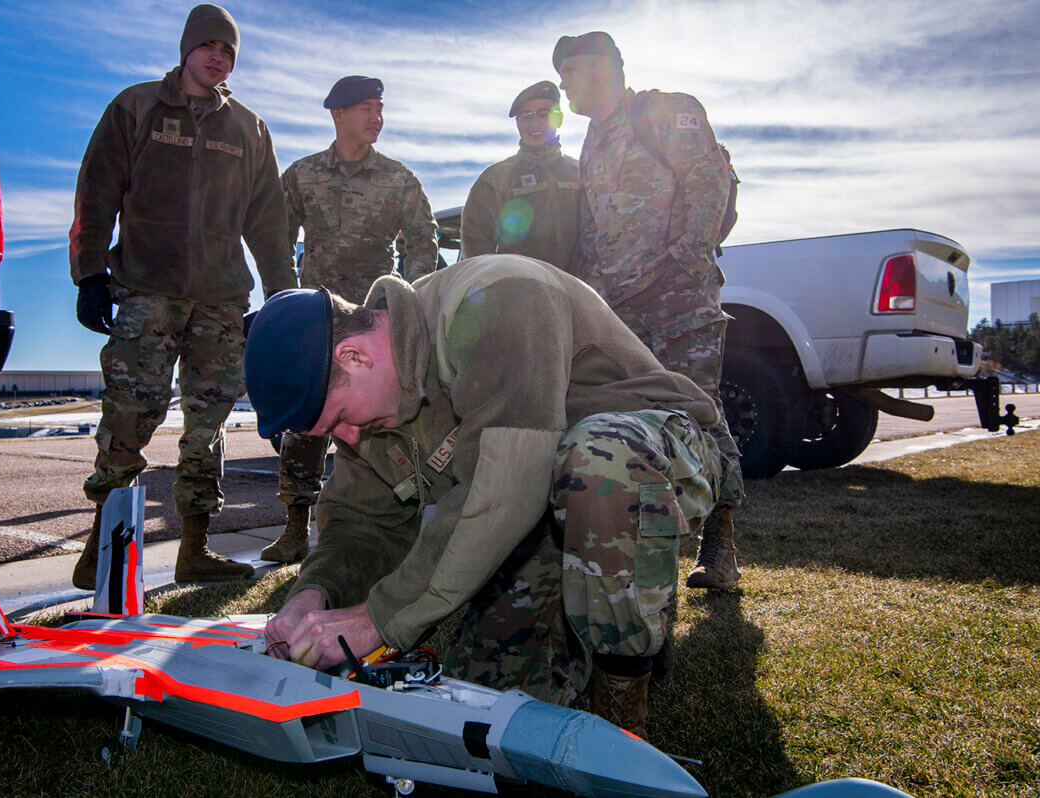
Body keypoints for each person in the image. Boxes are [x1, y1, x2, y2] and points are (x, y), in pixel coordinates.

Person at [243, 255, 721, 737]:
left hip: (659, 452)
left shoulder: (495, 298)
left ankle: (624, 700)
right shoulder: (370, 411)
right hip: (544, 506)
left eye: (339, 418)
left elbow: (503, 488)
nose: (347, 437)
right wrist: (313, 595)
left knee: (598, 458)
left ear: (354, 356)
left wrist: (376, 620)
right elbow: (360, 523)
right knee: (482, 704)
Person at [68, 4, 296, 587]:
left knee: (207, 425)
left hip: (221, 300)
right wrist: (90, 274)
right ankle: (101, 548)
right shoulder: (137, 106)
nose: (218, 56)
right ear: (186, 48)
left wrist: (281, 296)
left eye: (229, 51)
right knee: (129, 416)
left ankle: (194, 548)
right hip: (147, 290)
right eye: (209, 46)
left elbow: (268, 220)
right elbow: (96, 191)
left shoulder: (248, 127)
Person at [554, 31, 745, 591]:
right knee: (634, 414)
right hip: (618, 311)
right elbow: (592, 228)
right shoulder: (591, 141)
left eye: (569, 72)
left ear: (601, 67)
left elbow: (708, 182)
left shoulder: (665, 112)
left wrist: (684, 265)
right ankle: (647, 535)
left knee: (701, 410)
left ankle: (721, 545)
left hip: (676, 299)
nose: (564, 86)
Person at [262, 75, 439, 564]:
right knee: (307, 421)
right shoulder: (302, 175)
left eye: (380, 108)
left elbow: (422, 241)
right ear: (337, 114)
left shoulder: (398, 178)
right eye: (366, 108)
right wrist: (279, 303)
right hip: (313, 320)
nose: (376, 117)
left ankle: (381, 527)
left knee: (379, 425)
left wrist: (411, 304)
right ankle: (296, 527)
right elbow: (276, 238)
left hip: (371, 321)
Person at [459, 80, 582, 271]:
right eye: (526, 116)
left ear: (559, 118)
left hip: (581, 291)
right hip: (520, 293)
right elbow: (476, 247)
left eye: (544, 114)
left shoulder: (582, 171)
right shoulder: (495, 178)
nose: (535, 123)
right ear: (517, 123)